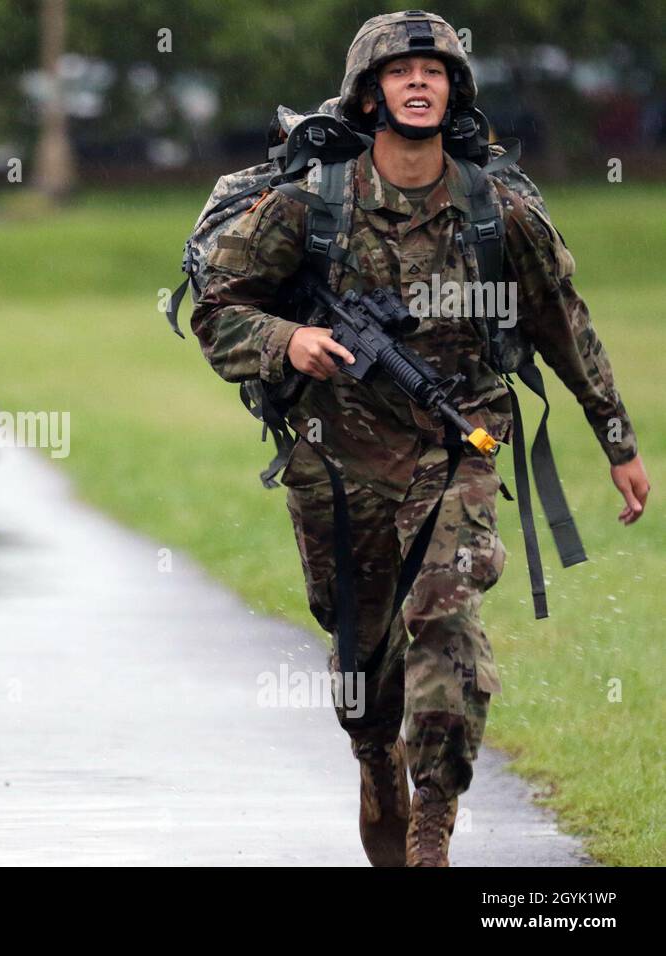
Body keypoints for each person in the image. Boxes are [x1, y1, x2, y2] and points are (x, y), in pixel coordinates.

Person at [190, 11, 649, 866]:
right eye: (400, 72)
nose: (418, 82)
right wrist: (286, 342)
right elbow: (217, 307)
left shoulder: (493, 210)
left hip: (459, 448)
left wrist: (616, 440)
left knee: (447, 617)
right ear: (370, 96)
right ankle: (375, 756)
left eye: (434, 71)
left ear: (454, 91)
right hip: (337, 461)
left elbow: (565, 326)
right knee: (363, 658)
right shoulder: (310, 206)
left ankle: (434, 824)